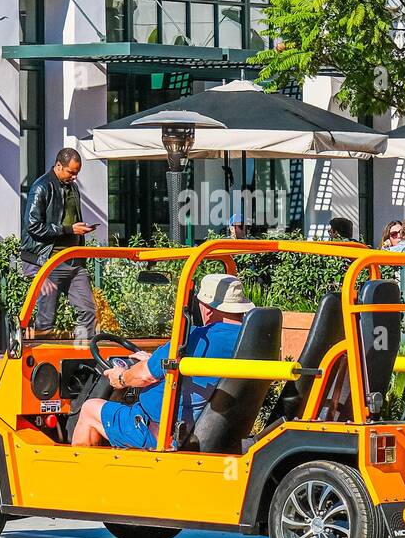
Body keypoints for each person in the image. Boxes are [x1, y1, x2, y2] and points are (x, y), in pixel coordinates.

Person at [72, 273, 254, 450]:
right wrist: (152, 361)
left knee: (89, 409)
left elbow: (145, 376)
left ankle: (80, 479)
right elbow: (196, 370)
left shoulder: (197, 338)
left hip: (160, 431)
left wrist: (120, 378)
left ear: (206, 308)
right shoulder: (249, 341)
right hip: (206, 427)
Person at [20, 148, 98, 338]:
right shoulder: (41, 187)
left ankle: (83, 354)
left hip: (74, 260)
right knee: (46, 317)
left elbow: (68, 219)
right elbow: (33, 226)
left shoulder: (73, 188)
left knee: (89, 311)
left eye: (77, 173)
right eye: (71, 172)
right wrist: (69, 230)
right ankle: (42, 359)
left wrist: (80, 230)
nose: (74, 177)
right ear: (58, 166)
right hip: (51, 260)